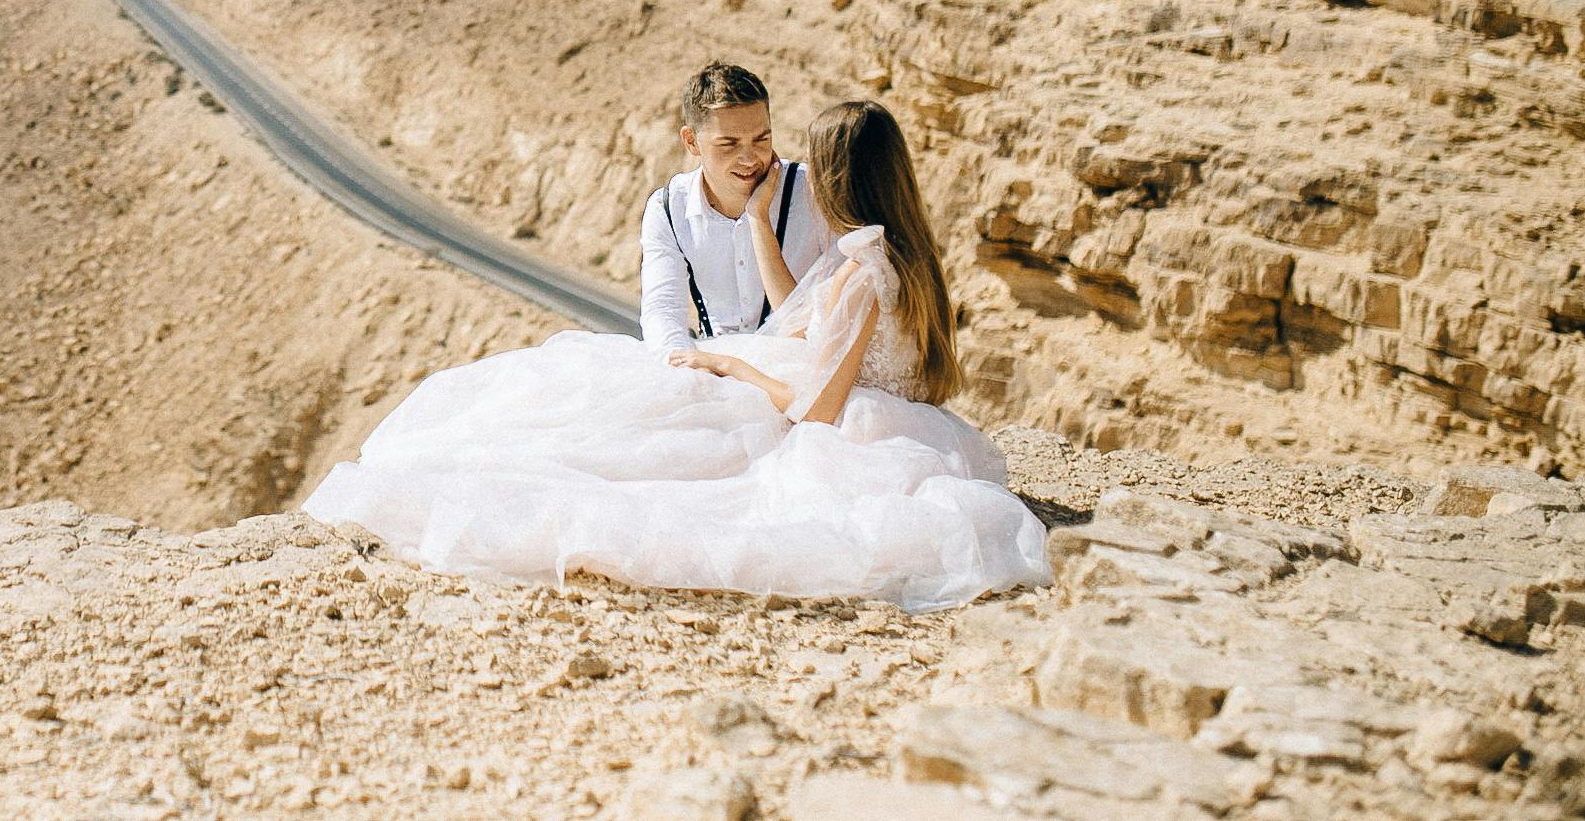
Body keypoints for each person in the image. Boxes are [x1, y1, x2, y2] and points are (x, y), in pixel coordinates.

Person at [302, 100, 1049, 612]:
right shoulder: (893, 255)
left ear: (836, 178)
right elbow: (802, 319)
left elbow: (818, 408)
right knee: (655, 406)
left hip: (841, 424)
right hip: (867, 404)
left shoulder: (861, 270)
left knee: (657, 449)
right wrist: (760, 223)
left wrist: (736, 367)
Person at [640, 62, 839, 353]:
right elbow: (662, 311)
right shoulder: (668, 208)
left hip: (799, 363)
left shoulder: (813, 193)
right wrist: (683, 368)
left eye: (761, 139)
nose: (749, 159)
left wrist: (758, 216)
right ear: (691, 142)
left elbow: (842, 308)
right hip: (712, 366)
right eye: (729, 144)